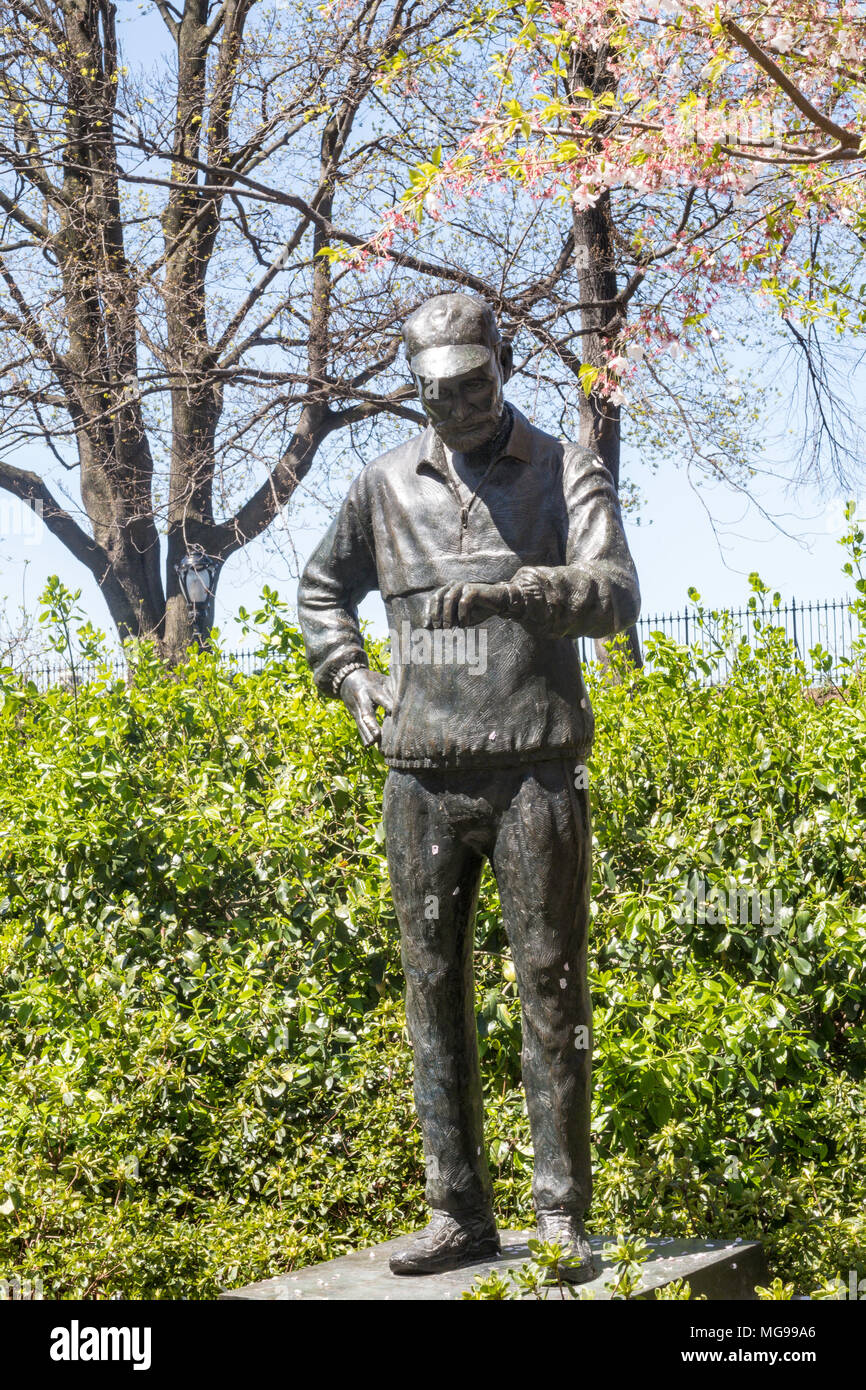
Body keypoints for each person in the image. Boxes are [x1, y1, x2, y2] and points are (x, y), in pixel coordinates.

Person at [298, 292, 641, 1278]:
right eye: (436, 392)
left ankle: (560, 1213)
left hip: (533, 765)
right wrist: (350, 676)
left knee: (550, 985)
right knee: (431, 989)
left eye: (473, 384)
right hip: (419, 776)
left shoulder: (560, 468)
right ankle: (458, 1211)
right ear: (415, 390)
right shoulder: (380, 485)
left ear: (503, 364)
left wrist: (511, 591)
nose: (457, 405)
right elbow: (322, 590)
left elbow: (613, 592)